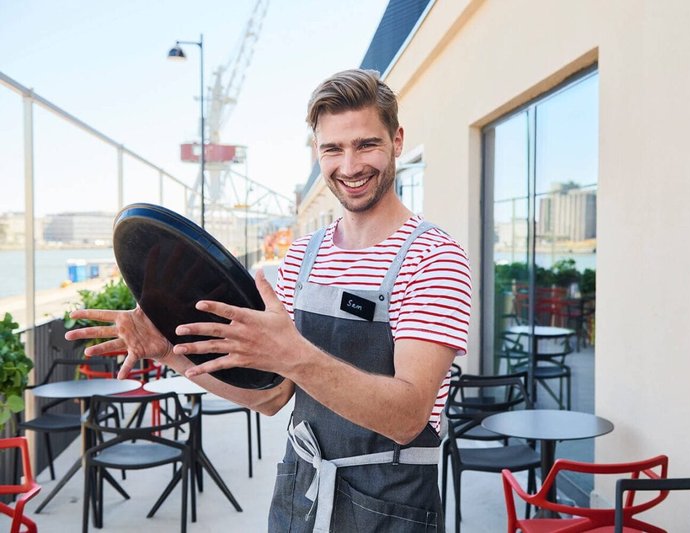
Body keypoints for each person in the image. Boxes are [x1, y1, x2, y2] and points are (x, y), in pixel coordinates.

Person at [66, 68, 472, 532]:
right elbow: (272, 397)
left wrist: (295, 356)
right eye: (332, 149)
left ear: (397, 140)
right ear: (317, 153)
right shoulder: (304, 253)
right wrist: (170, 355)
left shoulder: (434, 257)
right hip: (299, 494)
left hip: (391, 507)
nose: (350, 165)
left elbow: (407, 417)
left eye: (366, 144)